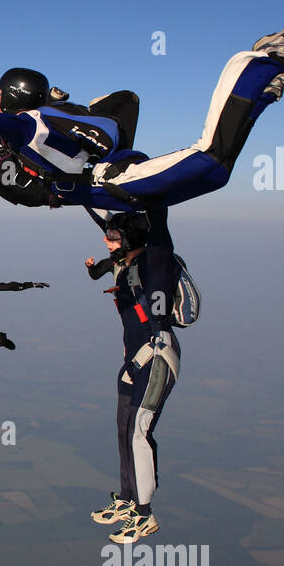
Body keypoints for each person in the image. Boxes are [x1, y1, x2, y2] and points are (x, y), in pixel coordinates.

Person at [0, 17, 284, 210]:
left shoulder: (21, 124)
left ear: (2, 99)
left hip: (110, 180)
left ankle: (265, 59)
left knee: (209, 154)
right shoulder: (34, 122)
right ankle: (261, 95)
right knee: (217, 175)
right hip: (95, 192)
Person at [84, 206, 181, 544]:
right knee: (124, 428)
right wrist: (79, 188)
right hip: (136, 360)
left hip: (156, 356)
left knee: (139, 433)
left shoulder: (155, 260)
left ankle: (144, 515)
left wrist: (157, 196)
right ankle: (127, 499)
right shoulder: (127, 262)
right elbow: (112, 224)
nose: (106, 241)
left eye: (112, 238)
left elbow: (159, 231)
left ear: (129, 239)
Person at [0, 77, 139, 208]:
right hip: (25, 197)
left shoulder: (2, 127)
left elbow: (35, 125)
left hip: (55, 193)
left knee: (125, 201)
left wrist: (53, 101)